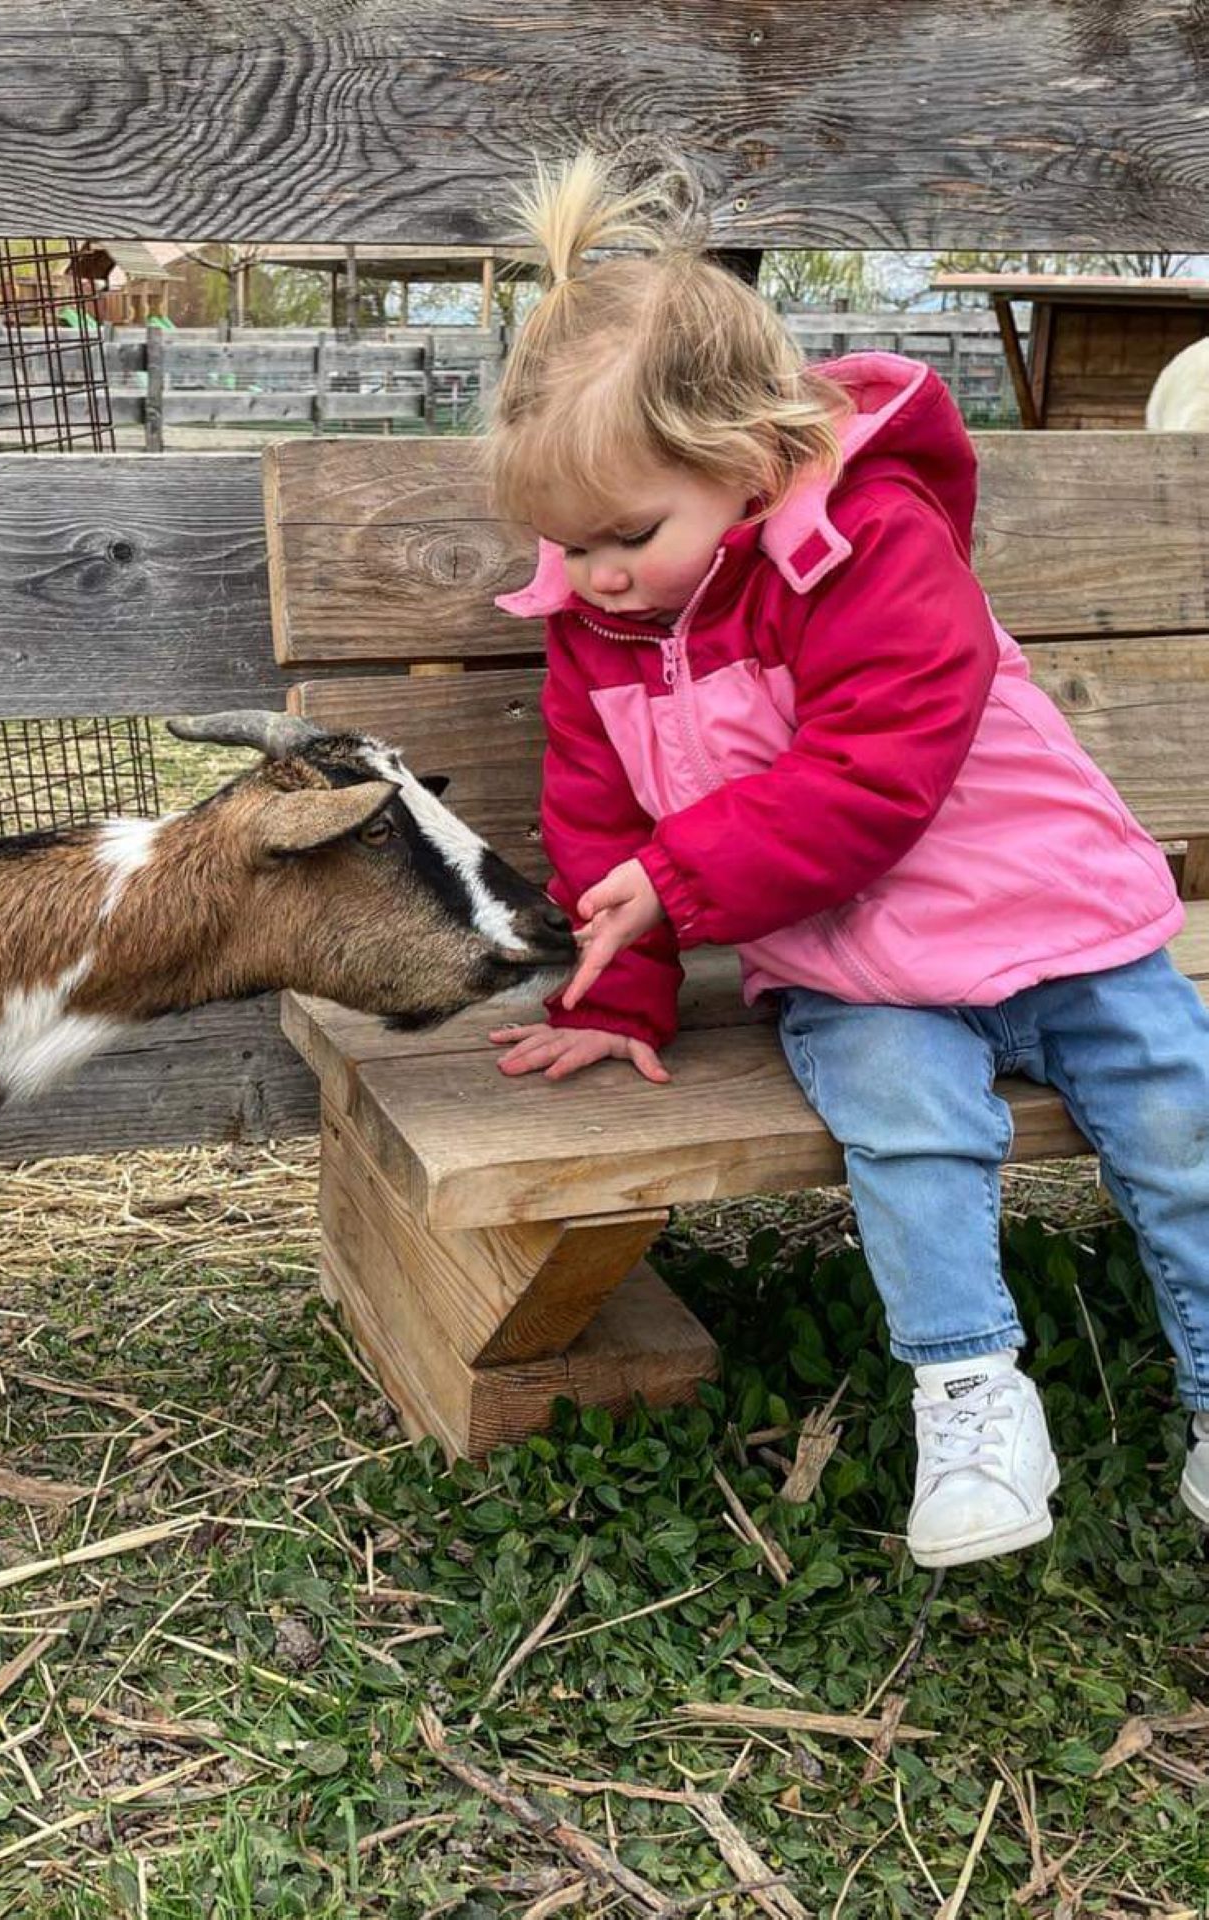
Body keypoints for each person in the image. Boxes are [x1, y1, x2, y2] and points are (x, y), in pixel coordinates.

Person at [482, 151, 1209, 1569]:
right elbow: (596, 822)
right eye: (568, 545)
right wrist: (622, 996)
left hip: (1055, 919)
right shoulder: (601, 620)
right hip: (861, 962)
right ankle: (970, 1398)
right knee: (907, 1125)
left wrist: (685, 888)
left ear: (751, 462)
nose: (598, 576)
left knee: (1187, 1129)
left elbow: (876, 774)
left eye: (629, 535)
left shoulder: (873, 546)